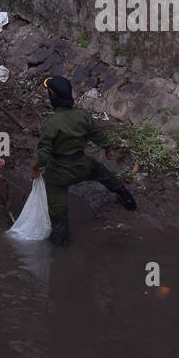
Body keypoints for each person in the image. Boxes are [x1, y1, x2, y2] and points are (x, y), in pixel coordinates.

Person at [34, 75, 136, 246]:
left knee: (58, 213)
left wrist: (36, 167)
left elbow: (43, 153)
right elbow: (96, 134)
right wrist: (107, 148)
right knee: (106, 176)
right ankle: (129, 201)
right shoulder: (83, 115)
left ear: (52, 97)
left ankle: (61, 247)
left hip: (58, 173)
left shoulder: (49, 123)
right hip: (82, 165)